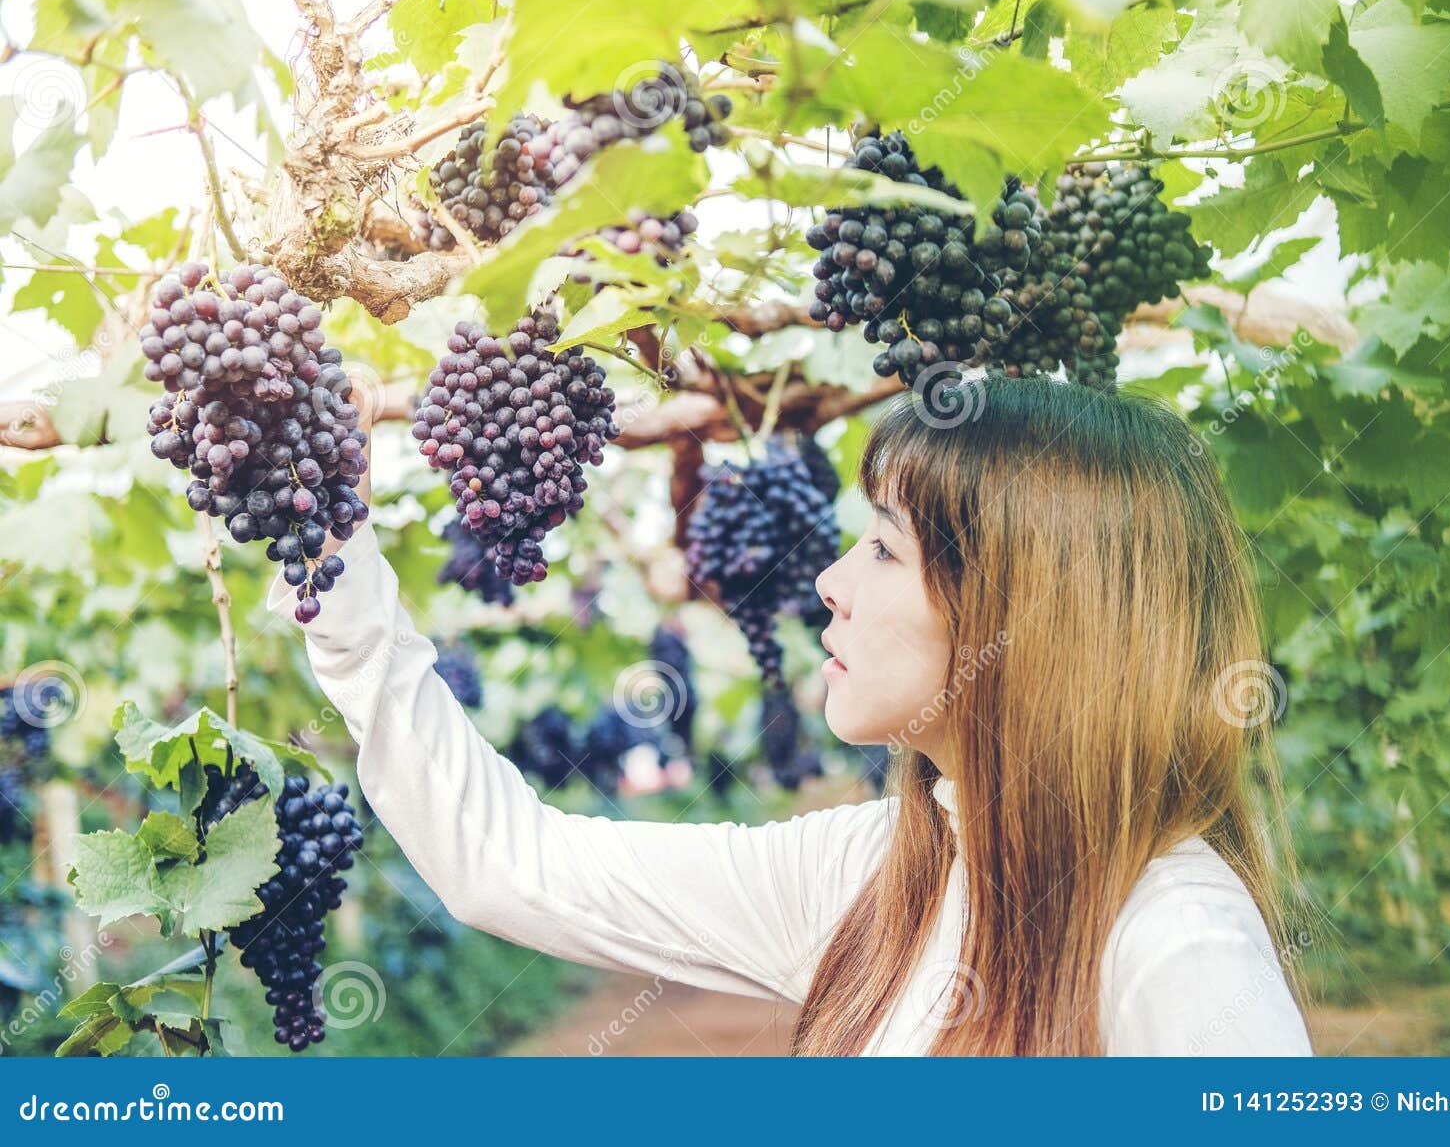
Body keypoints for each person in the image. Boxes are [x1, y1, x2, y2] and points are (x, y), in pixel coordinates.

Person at [272, 375, 1314, 1056]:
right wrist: (340, 577)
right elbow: (512, 864)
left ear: (1028, 613)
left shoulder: (1179, 945)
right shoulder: (877, 871)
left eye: (884, 548)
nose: (826, 578)